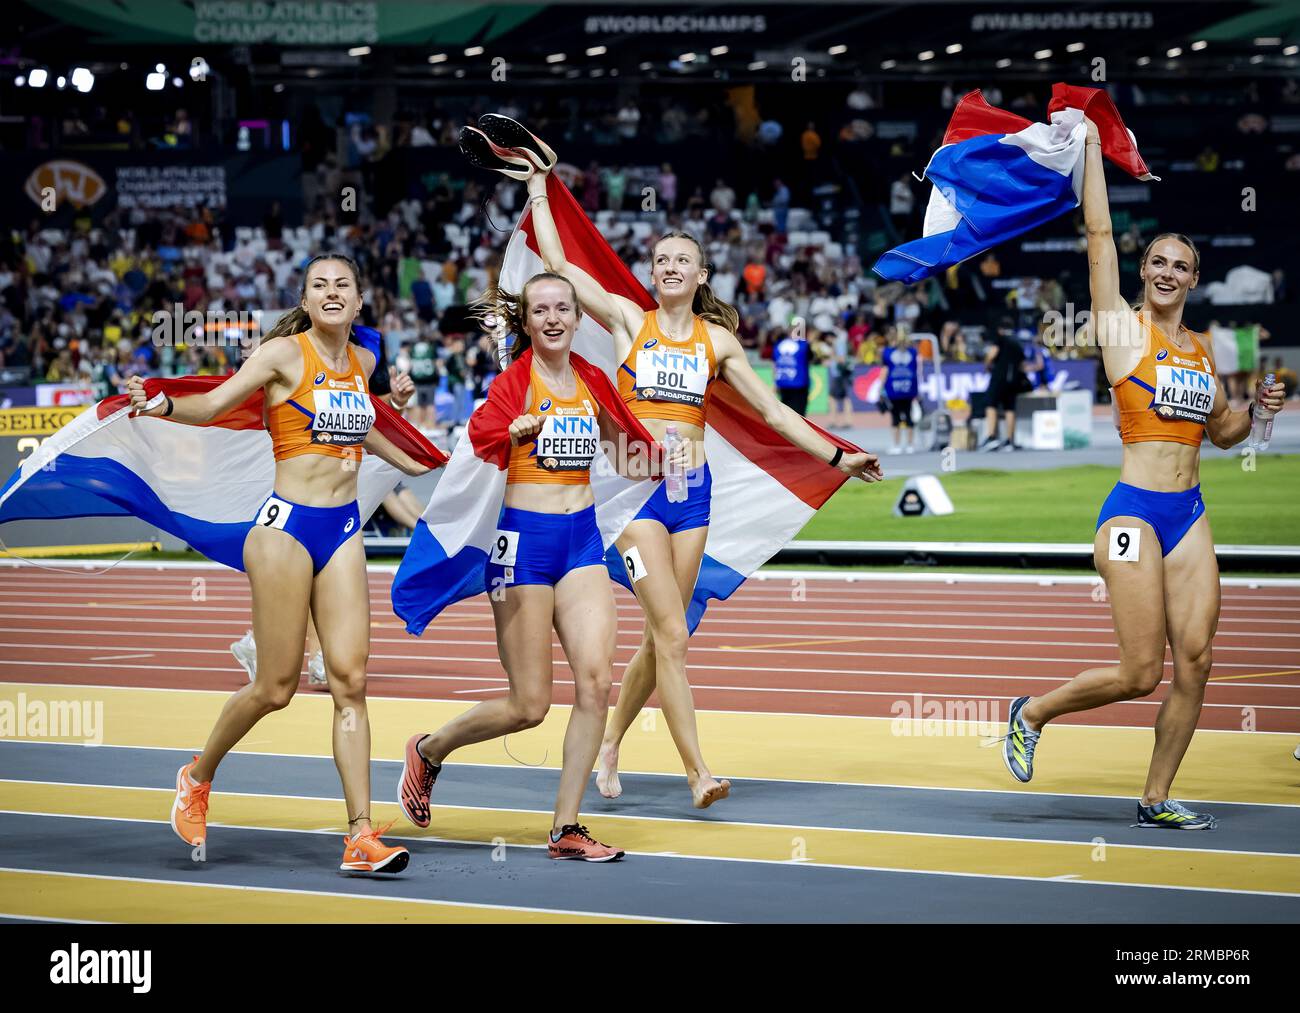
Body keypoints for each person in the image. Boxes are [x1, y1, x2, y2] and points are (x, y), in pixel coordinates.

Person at [519, 142, 882, 808]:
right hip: (633, 491)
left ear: (701, 272)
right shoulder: (631, 320)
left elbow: (771, 410)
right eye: (661, 260)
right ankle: (697, 772)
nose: (670, 266)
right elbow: (558, 265)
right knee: (674, 634)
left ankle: (609, 742)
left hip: (693, 494)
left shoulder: (717, 342)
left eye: (682, 259)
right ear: (652, 274)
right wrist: (542, 190)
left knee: (667, 635)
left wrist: (838, 455)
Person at [998, 117, 1288, 829]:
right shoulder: (1123, 331)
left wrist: (1260, 409)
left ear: (1194, 278)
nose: (1164, 272)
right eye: (1156, 261)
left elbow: (1223, 433)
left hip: (1188, 513)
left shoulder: (1201, 349)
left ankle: (1156, 796)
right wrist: (1093, 150)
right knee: (1140, 672)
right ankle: (1033, 711)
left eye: (1178, 266)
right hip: (1132, 514)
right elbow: (1100, 237)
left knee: (1196, 659)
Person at [132, 254, 432, 871]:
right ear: (305, 297)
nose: (331, 292)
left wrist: (414, 444)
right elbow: (214, 405)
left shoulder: (364, 362)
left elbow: (366, 426)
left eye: (342, 284)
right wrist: (163, 405)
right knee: (276, 687)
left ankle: (360, 835)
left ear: (357, 302)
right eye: (319, 284)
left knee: (350, 681)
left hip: (342, 528)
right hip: (284, 530)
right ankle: (197, 773)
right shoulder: (282, 356)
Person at [398, 272, 673, 860]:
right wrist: (512, 428)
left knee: (596, 683)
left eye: (563, 309)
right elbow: (480, 434)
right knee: (529, 706)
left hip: (580, 544)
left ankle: (565, 828)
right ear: (526, 323)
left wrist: (655, 453)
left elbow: (622, 445)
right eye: (541, 310)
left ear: (577, 319)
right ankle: (429, 749)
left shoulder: (593, 381)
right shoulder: (513, 383)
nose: (553, 318)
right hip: (523, 547)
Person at [230, 326, 416, 687]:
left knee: (319, 580)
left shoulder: (351, 366)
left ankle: (292, 650)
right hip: (297, 496)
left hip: (339, 495)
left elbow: (361, 418)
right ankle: (275, 646)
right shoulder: (290, 365)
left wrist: (394, 404)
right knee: (305, 589)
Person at [979, 320, 1026, 451]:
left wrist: (987, 365)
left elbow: (992, 353)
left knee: (990, 404)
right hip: (1014, 379)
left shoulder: (1000, 339)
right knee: (1010, 408)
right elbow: (1022, 364)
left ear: (1000, 329)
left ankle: (991, 437)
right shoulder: (1017, 343)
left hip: (999, 377)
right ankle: (1009, 441)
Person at [881, 332, 919, 454]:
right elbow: (885, 370)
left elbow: (917, 370)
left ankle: (909, 444)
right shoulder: (888, 353)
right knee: (896, 418)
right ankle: (897, 444)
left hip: (907, 390)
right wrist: (881, 388)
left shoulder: (912, 353)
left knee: (907, 417)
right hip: (895, 390)